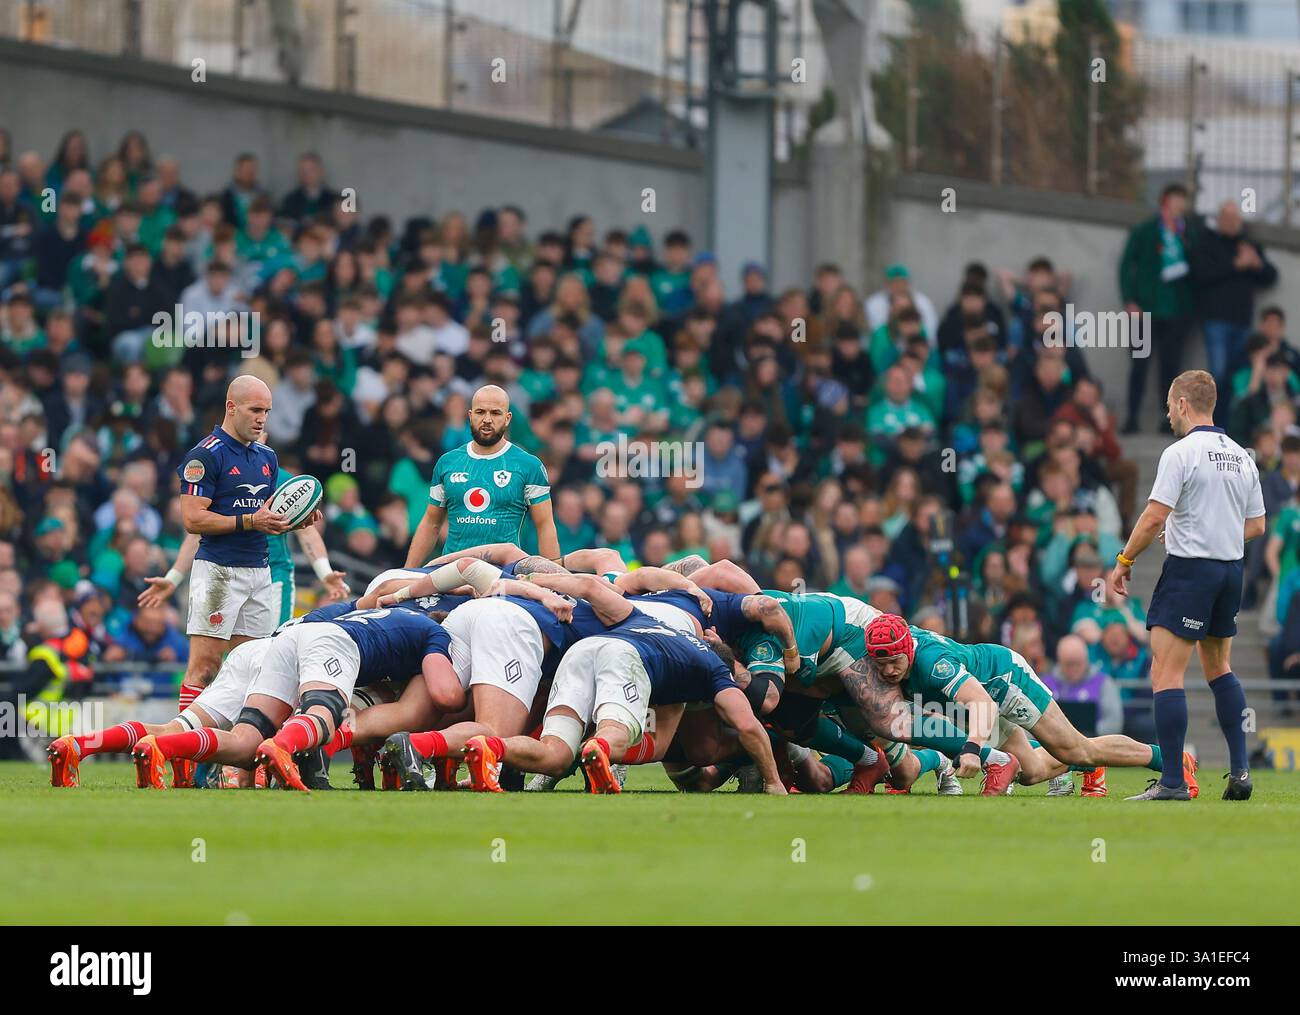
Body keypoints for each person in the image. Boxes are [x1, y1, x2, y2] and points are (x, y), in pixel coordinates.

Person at [1108, 369, 1267, 800]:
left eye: (1169, 405)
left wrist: (1124, 561)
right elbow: (1257, 525)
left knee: (1165, 671)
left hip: (1190, 572)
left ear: (1182, 404)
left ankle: (1173, 782)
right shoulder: (1242, 456)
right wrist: (1212, 531)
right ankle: (1240, 772)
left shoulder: (1181, 453)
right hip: (1230, 572)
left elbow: (1153, 517)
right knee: (1220, 669)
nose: (1168, 414)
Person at [168, 376, 319, 787]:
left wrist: (297, 521)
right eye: (255, 410)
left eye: (266, 411)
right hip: (218, 572)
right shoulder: (205, 455)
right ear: (231, 407)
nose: (262, 419)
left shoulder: (267, 457)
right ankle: (185, 758)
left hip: (260, 573)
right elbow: (193, 518)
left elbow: (268, 517)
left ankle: (231, 763)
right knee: (204, 667)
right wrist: (251, 520)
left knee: (252, 671)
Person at [405, 384, 559, 565]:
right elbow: (431, 523)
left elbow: (545, 525)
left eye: (495, 413)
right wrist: (408, 570)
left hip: (502, 572)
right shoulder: (447, 462)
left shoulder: (529, 465)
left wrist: (553, 576)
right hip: (451, 571)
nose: (487, 419)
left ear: (507, 418)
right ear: (470, 416)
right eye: (480, 412)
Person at [1119, 183, 1197, 434]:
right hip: (1145, 309)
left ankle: (1169, 421)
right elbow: (1126, 265)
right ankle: (1132, 417)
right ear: (1165, 201)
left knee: (1171, 369)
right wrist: (1129, 300)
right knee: (1139, 366)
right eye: (1175, 199)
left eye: (1183, 200)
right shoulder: (1146, 230)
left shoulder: (1189, 232)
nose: (1179, 205)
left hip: (1177, 311)